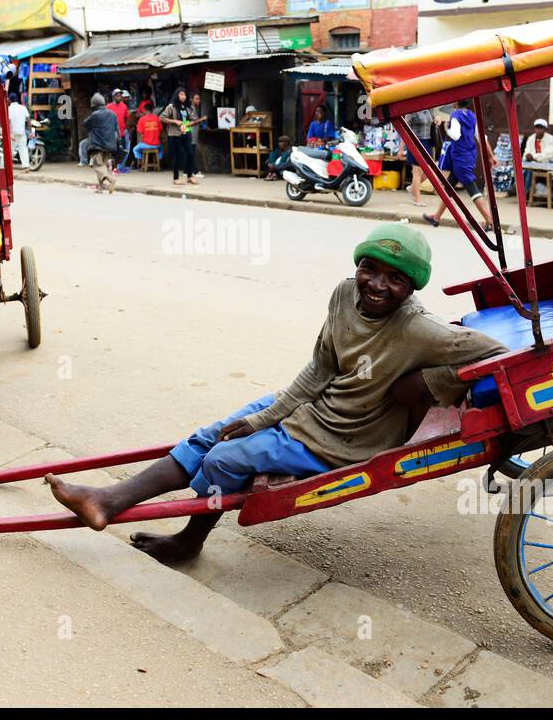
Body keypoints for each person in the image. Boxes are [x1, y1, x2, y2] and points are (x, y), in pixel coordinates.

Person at [43, 224, 507, 562]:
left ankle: (190, 540)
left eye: (396, 279)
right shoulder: (345, 294)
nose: (378, 286)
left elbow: (496, 350)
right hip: (316, 408)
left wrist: (429, 384)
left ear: (410, 289)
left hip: (349, 436)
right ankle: (109, 501)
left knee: (224, 461)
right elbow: (322, 365)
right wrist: (271, 415)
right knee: (216, 435)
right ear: (358, 267)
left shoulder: (417, 327)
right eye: (371, 269)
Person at [422, 101, 496, 230]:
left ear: (456, 103)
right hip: (469, 156)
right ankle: (436, 218)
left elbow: (455, 135)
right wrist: (491, 155)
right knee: (448, 189)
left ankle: (490, 221)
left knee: (473, 191)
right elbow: (481, 137)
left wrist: (446, 129)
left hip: (460, 157)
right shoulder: (472, 116)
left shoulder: (455, 115)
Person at [160, 87, 199, 186]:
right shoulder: (171, 107)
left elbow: (194, 119)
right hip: (174, 134)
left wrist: (189, 123)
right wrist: (174, 121)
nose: (183, 97)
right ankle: (176, 178)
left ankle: (190, 176)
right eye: (181, 94)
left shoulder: (189, 107)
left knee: (190, 153)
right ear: (177, 95)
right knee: (178, 155)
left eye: (185, 94)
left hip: (186, 132)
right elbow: (162, 118)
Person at [83, 92, 118, 194]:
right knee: (104, 166)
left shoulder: (95, 115)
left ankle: (110, 179)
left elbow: (85, 124)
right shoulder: (112, 114)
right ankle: (100, 188)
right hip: (110, 145)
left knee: (97, 165)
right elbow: (117, 130)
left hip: (98, 145)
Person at [520, 117, 553, 198]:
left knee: (530, 169)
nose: (538, 130)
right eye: (537, 128)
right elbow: (527, 151)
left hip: (549, 163)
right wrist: (528, 156)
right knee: (527, 170)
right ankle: (525, 193)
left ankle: (525, 194)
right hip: (535, 163)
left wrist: (533, 156)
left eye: (541, 128)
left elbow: (548, 155)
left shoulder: (550, 138)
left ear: (544, 129)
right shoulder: (531, 138)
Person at [404, 108, 434, 206]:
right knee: (417, 171)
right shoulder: (411, 111)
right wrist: (401, 148)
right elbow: (404, 129)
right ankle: (417, 199)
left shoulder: (428, 109)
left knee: (428, 171)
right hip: (415, 142)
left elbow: (430, 121)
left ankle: (412, 188)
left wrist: (437, 119)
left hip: (426, 142)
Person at [107, 89, 131, 171]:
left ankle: (118, 168)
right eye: (117, 95)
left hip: (122, 133)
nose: (119, 97)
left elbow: (127, 119)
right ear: (113, 97)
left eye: (120, 95)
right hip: (111, 133)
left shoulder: (124, 106)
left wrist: (128, 131)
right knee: (112, 151)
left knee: (121, 151)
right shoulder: (109, 107)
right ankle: (113, 167)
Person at [8, 90, 31, 171]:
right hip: (22, 132)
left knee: (10, 150)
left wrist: (9, 133)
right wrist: (30, 131)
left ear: (9, 99)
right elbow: (28, 120)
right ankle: (26, 166)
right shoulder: (23, 108)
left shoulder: (9, 109)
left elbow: (9, 122)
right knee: (23, 149)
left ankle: (7, 167)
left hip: (12, 133)